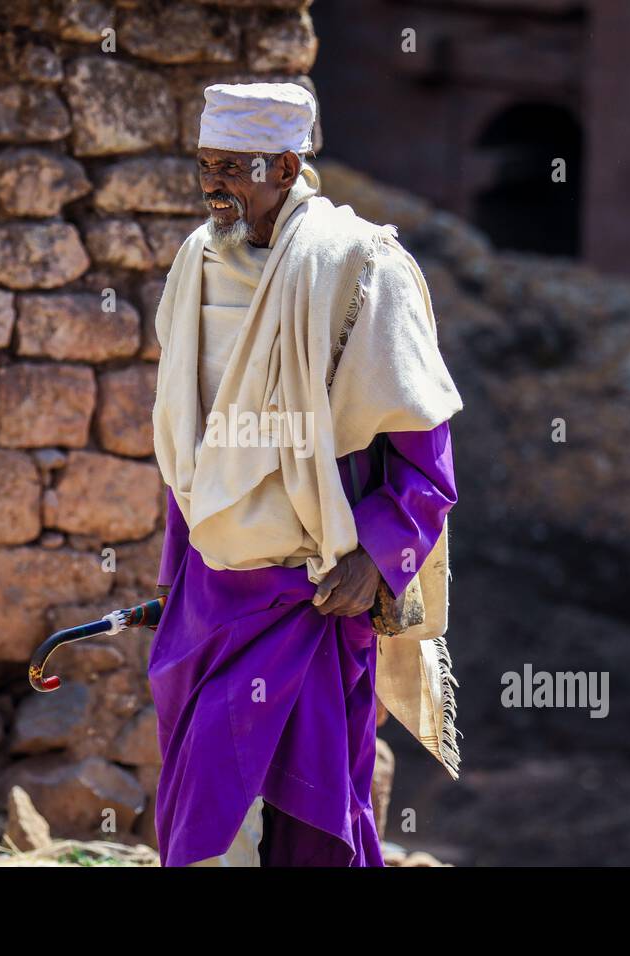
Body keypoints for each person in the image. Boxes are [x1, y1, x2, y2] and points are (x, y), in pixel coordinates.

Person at [148, 82, 462, 867]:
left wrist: (377, 561)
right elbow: (192, 453)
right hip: (212, 597)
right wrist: (170, 579)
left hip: (315, 595)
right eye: (204, 165)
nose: (212, 184)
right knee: (203, 814)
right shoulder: (196, 267)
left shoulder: (359, 269)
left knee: (315, 818)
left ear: (285, 165)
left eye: (231, 167)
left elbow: (426, 456)